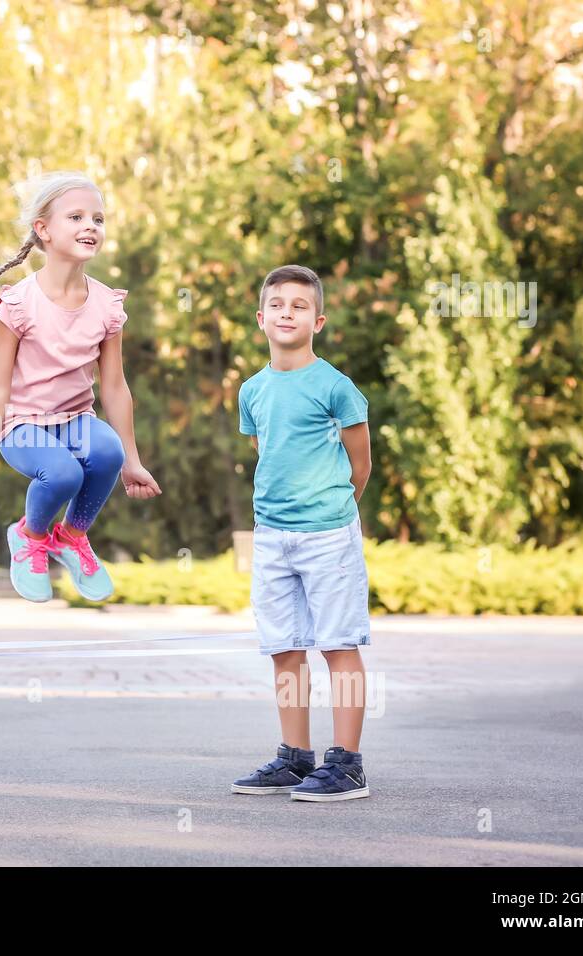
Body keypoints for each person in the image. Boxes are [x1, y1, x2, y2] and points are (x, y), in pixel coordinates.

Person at [0, 171, 161, 603]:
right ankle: (29, 536)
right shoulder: (18, 304)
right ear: (43, 230)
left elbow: (115, 388)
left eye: (98, 219)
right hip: (21, 426)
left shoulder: (106, 305)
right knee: (62, 473)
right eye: (77, 217)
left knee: (107, 452)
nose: (90, 226)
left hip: (75, 422)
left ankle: (70, 537)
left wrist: (132, 463)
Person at [229, 265, 373, 802]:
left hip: (328, 537)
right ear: (261, 318)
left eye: (300, 304)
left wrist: (332, 510)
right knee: (284, 649)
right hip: (272, 536)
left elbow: (360, 465)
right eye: (277, 304)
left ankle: (349, 763)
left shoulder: (336, 387)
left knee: (338, 644)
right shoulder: (252, 390)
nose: (288, 312)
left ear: (318, 318)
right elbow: (266, 453)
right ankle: (296, 757)